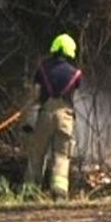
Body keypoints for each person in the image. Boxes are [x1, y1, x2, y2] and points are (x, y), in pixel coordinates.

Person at [22, 33, 83, 199]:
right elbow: (73, 95)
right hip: (65, 118)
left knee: (37, 154)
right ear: (70, 52)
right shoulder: (76, 74)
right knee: (62, 155)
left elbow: (36, 94)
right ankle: (59, 193)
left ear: (54, 49)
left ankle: (30, 192)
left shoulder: (42, 68)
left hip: (45, 115)